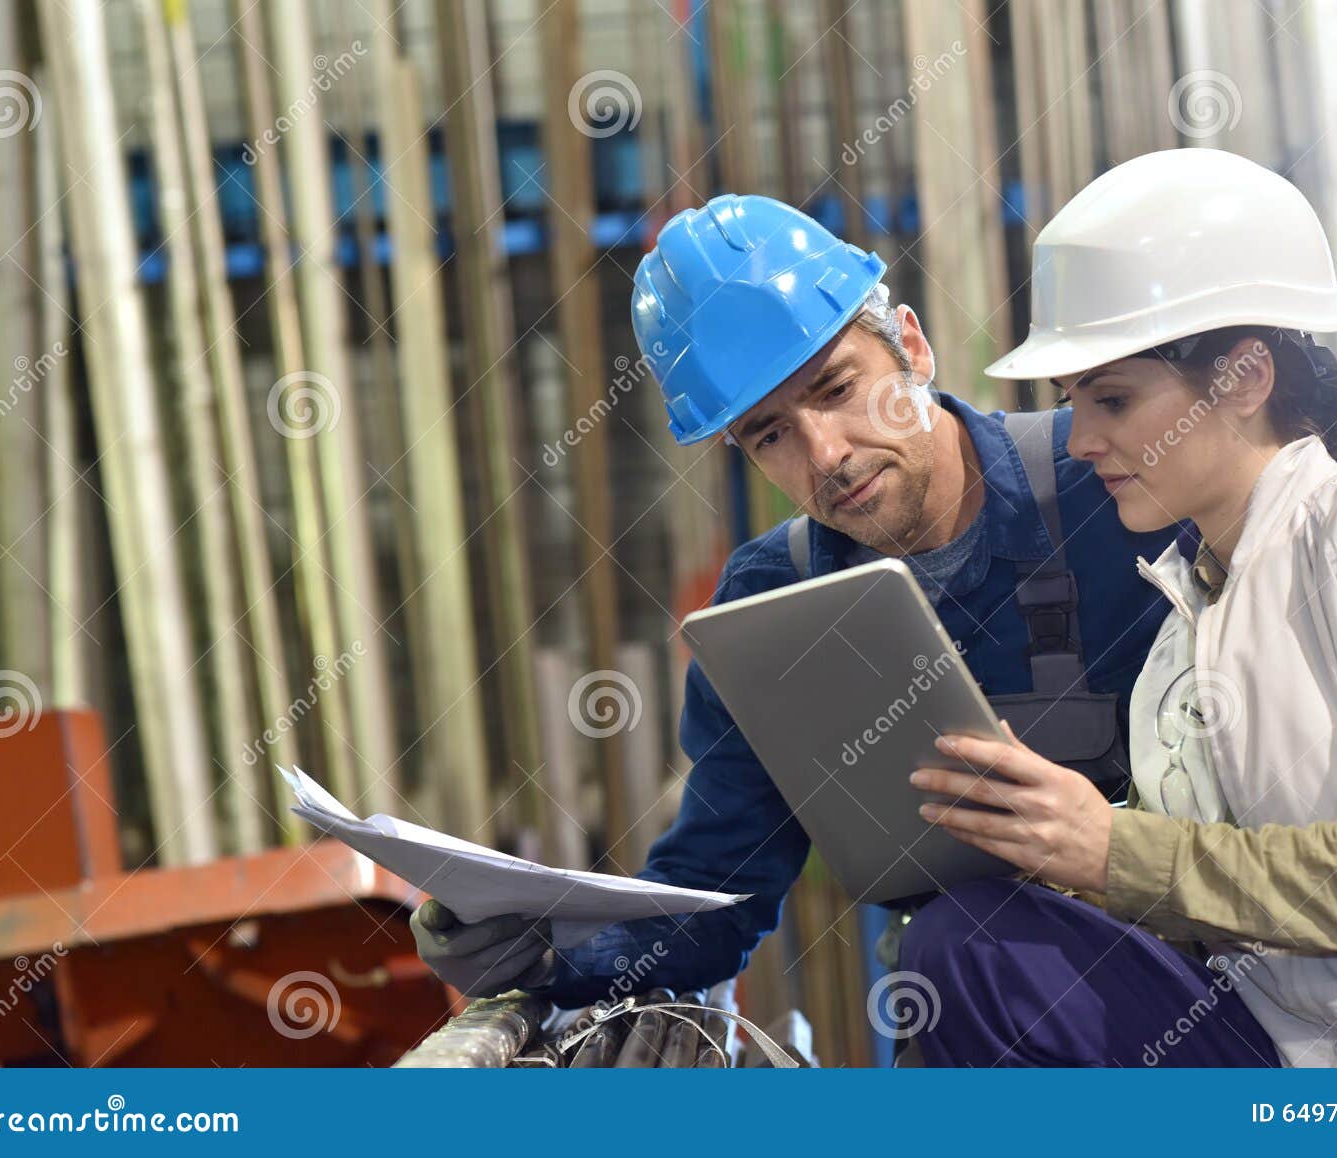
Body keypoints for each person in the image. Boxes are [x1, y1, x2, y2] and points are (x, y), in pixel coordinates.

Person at [411, 194, 1178, 1010]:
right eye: (769, 434)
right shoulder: (773, 601)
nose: (827, 454)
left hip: (1192, 984)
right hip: (973, 1014)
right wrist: (545, 947)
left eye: (838, 387)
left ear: (911, 346)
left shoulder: (1110, 478)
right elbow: (718, 894)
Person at [900, 147, 1337, 1066]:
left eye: (1114, 399)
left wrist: (1118, 852)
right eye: (1072, 403)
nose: (1082, 440)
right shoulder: (1181, 634)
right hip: (1297, 1070)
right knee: (970, 943)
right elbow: (1229, 911)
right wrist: (1056, 854)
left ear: (1245, 378)